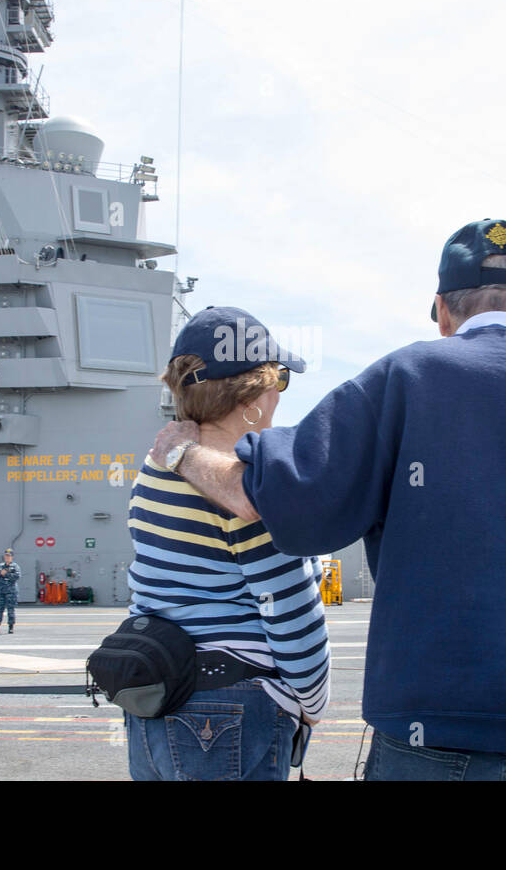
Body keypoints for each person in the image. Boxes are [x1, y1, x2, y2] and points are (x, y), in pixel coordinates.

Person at [151, 221, 506, 781]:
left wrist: (183, 452)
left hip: (429, 731)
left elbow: (287, 500)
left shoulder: (402, 379)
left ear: (443, 310)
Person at [127, 306, 331, 781]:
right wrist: (314, 703)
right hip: (229, 711)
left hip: (154, 698)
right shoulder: (246, 488)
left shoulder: (155, 469)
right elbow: (290, 611)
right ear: (253, 394)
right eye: (278, 379)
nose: (280, 394)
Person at [0, 551, 20, 634]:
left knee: (10, 609)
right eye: (6, 556)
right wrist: (0, 573)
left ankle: (11, 627)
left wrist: (6, 574)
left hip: (11, 591)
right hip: (1, 591)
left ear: (12, 557)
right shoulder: (0, 566)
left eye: (9, 556)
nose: (7, 557)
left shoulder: (15, 566)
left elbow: (17, 576)